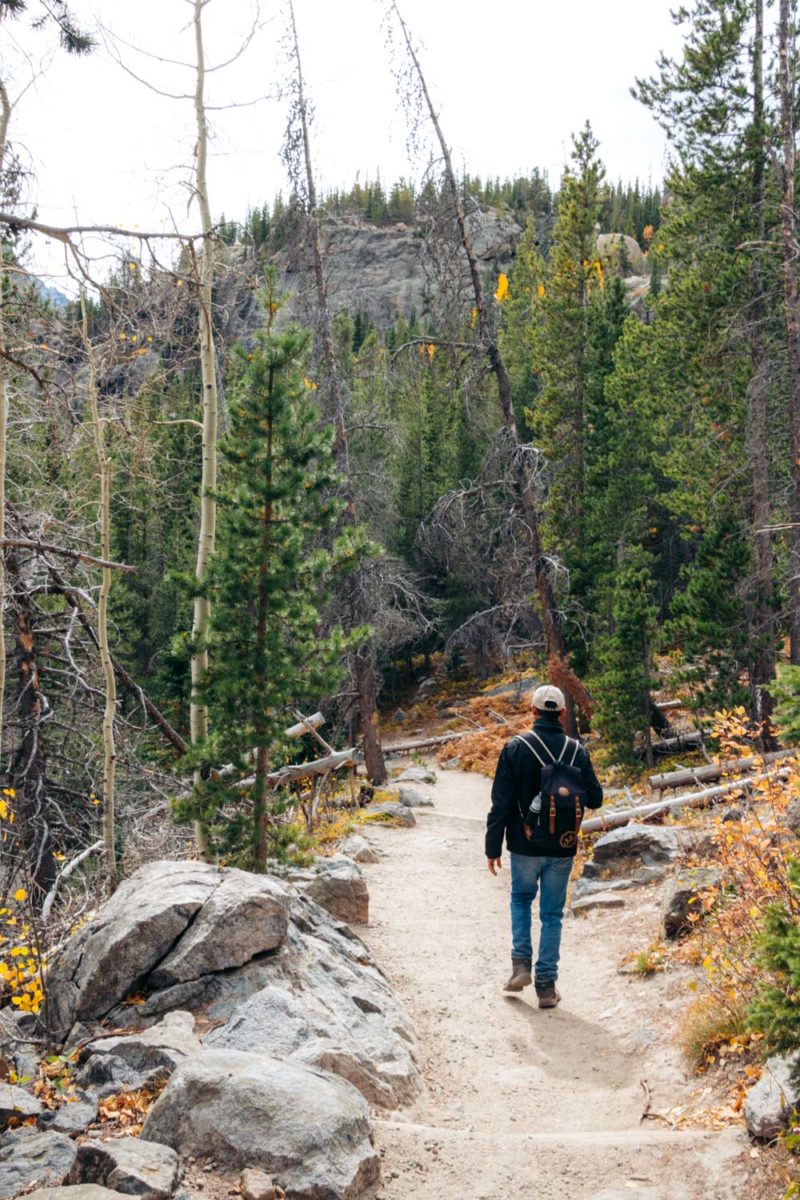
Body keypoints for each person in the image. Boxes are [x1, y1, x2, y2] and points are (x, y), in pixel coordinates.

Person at [485, 684, 603, 1007]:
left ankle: (520, 964)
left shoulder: (516, 747)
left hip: (523, 845)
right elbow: (596, 798)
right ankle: (547, 986)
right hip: (562, 846)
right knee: (552, 914)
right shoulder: (577, 751)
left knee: (521, 900)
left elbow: (501, 803)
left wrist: (492, 847)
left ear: (533, 712)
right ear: (563, 714)